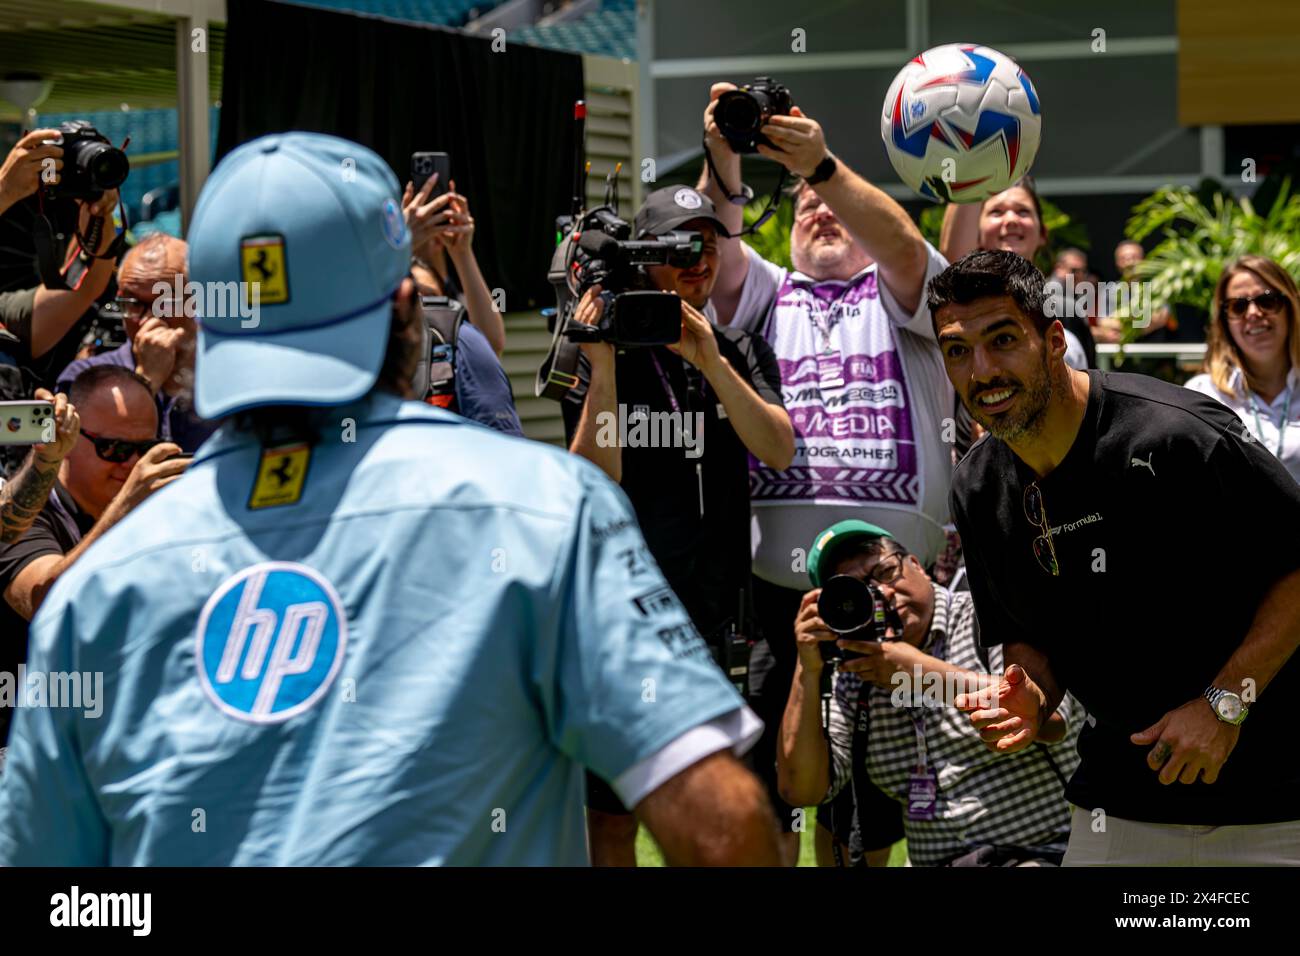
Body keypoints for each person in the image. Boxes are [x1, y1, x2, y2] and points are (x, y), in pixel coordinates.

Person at [0, 132, 782, 866]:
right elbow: (721, 824)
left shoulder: (99, 583)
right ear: (406, 307)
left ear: (205, 326)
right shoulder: (543, 510)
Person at [930, 249, 1300, 866]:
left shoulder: (1178, 433)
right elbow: (1027, 638)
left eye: (1002, 340)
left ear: (1053, 341)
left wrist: (1224, 704)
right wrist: (1030, 695)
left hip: (1273, 800)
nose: (983, 370)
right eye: (957, 351)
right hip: (1118, 806)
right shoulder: (977, 487)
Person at [698, 82, 953, 864]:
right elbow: (716, 242)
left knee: (874, 807)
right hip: (779, 595)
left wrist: (822, 166)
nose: (819, 209)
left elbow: (905, 244)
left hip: (889, 584)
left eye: (835, 203)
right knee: (783, 786)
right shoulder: (769, 295)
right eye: (805, 205)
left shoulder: (905, 291)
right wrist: (722, 154)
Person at [563, 184, 793, 865]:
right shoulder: (610, 352)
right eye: (679, 247)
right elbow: (591, 483)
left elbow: (778, 447)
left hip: (720, 618)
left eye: (711, 245)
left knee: (726, 812)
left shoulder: (740, 347)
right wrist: (600, 363)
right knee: (610, 819)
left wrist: (712, 360)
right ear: (644, 259)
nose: (700, 260)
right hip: (626, 619)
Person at [777, 520, 1080, 866]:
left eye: (886, 571)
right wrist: (807, 666)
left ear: (917, 565)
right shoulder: (856, 671)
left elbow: (1054, 720)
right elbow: (801, 789)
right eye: (859, 591)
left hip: (1042, 854)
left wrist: (921, 674)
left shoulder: (987, 616)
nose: (883, 594)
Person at [0, 366, 185, 754]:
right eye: (113, 448)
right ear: (68, 440)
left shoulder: (160, 514)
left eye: (143, 449)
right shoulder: (28, 514)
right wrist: (124, 509)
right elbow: (42, 598)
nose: (130, 463)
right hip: (26, 753)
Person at [55, 233, 215, 452]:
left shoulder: (224, 367)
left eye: (165, 303)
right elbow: (102, 462)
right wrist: (146, 381)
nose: (150, 319)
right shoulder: (86, 379)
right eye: (134, 303)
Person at [941, 180, 1100, 362]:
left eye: (1022, 211)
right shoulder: (961, 309)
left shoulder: (1068, 312)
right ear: (977, 233)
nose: (1010, 220)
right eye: (996, 212)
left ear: (1043, 234)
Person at [1184, 255, 1300, 482]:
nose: (1253, 313)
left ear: (1291, 308)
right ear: (1225, 321)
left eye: (1267, 301)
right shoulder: (1202, 395)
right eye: (1238, 306)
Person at [402, 173, 505, 355]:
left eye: (431, 298)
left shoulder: (460, 302)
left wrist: (462, 252)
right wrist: (401, 242)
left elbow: (491, 347)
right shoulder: (392, 287)